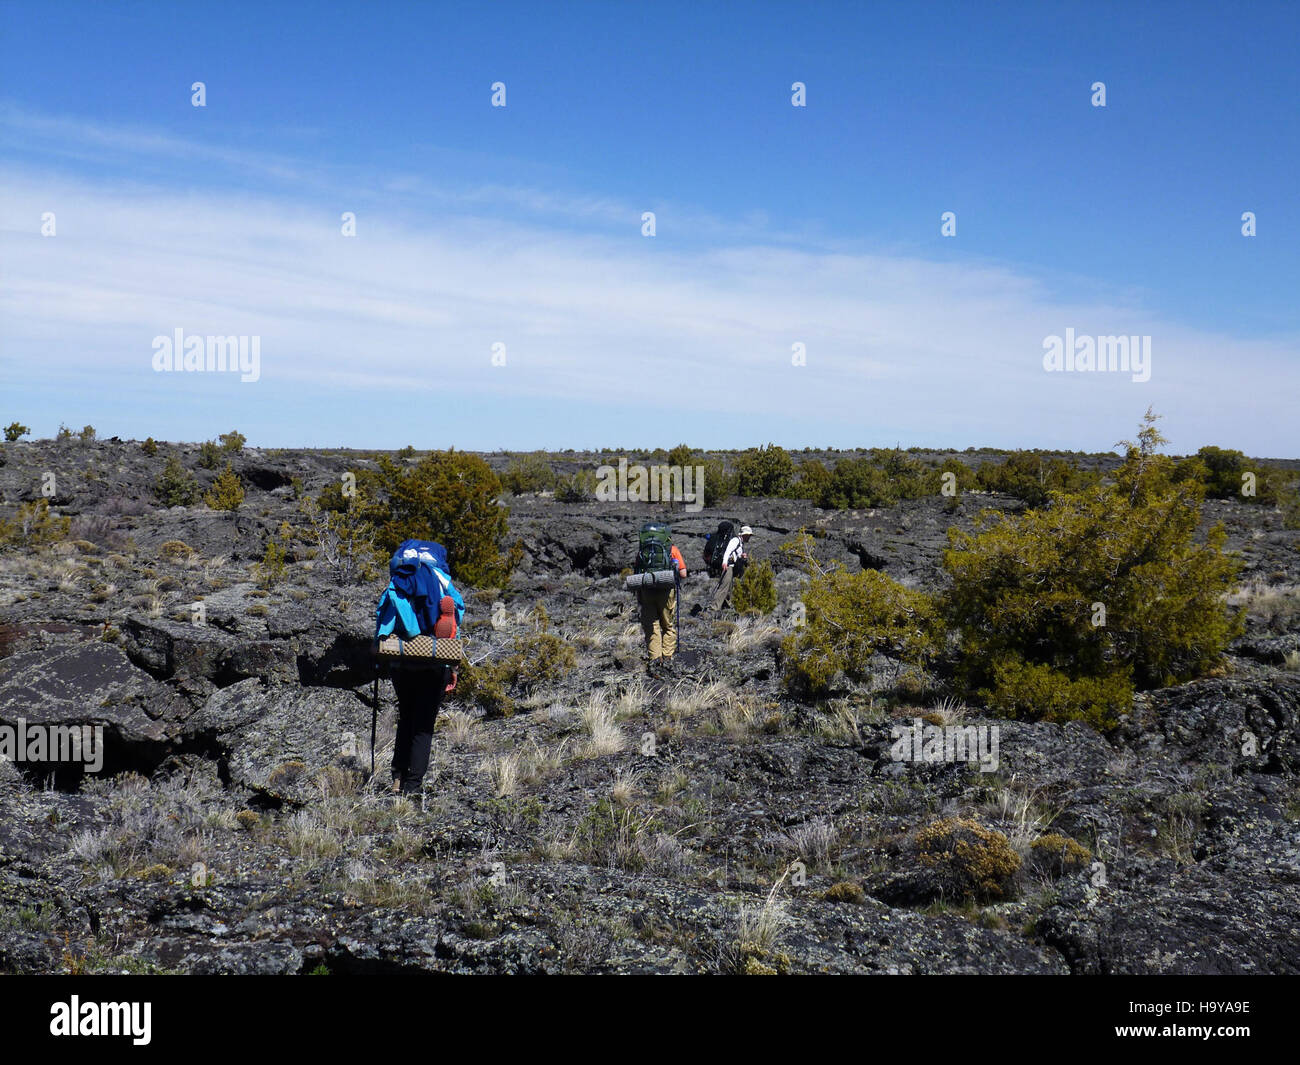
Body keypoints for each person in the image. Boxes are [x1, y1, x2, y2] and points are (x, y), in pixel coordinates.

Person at [638, 538, 687, 674]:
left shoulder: (644, 550)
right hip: (666, 592)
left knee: (652, 625)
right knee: (667, 625)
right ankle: (667, 658)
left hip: (647, 591)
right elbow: (683, 573)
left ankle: (655, 660)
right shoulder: (672, 550)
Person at [708, 525, 752, 614]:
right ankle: (713, 607)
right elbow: (728, 551)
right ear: (744, 534)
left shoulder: (740, 542)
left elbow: (735, 554)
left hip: (730, 566)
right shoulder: (735, 540)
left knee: (729, 587)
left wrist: (741, 556)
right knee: (724, 586)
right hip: (728, 566)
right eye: (749, 535)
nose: (749, 537)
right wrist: (724, 562)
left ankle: (726, 606)